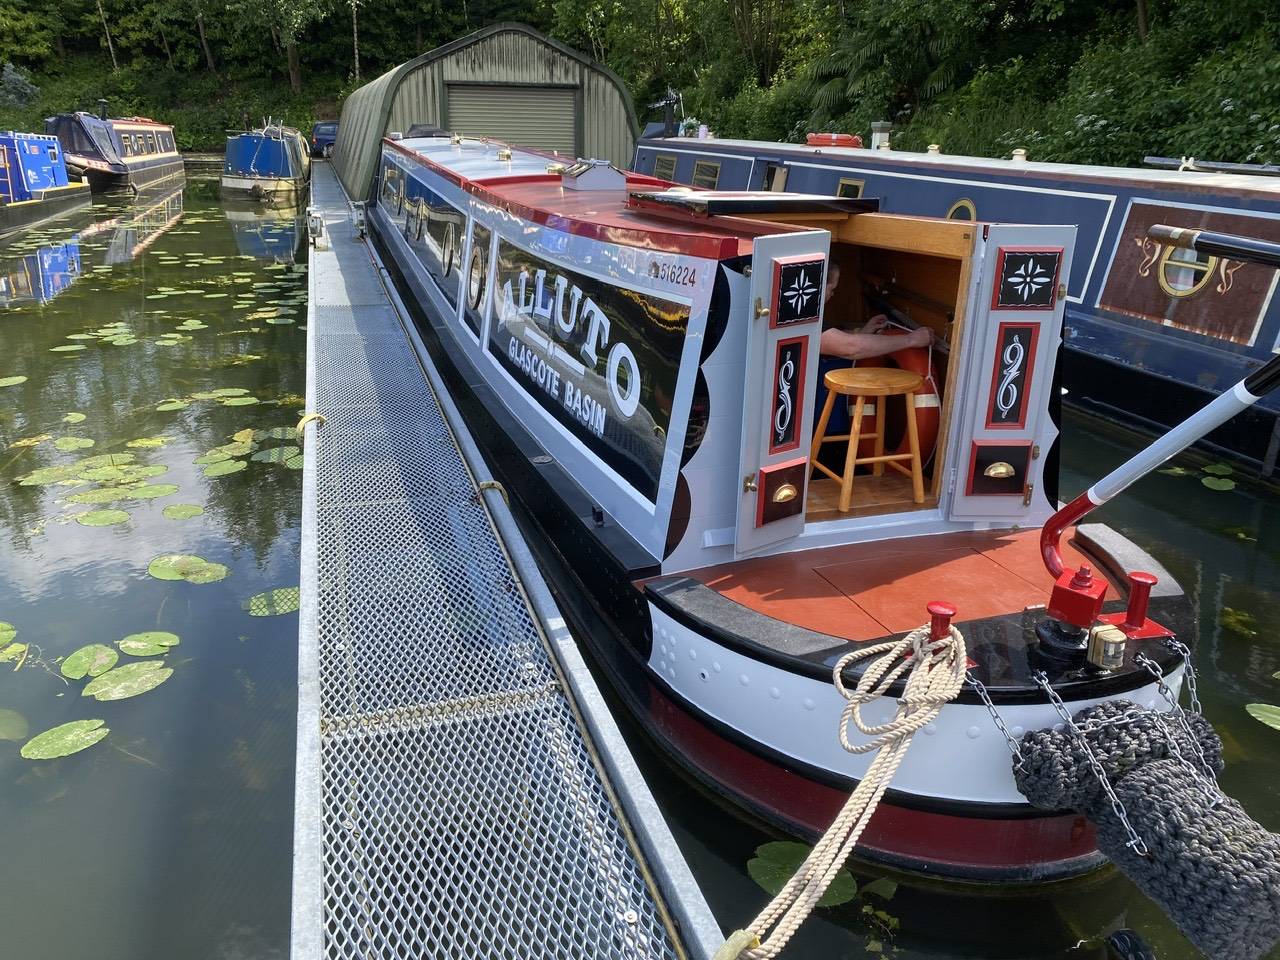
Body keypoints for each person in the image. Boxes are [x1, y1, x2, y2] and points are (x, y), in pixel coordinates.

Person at [815, 261, 932, 437]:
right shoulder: (805, 316)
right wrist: (911, 339)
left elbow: (830, 337)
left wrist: (863, 332)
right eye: (831, 289)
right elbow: (850, 348)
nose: (831, 295)